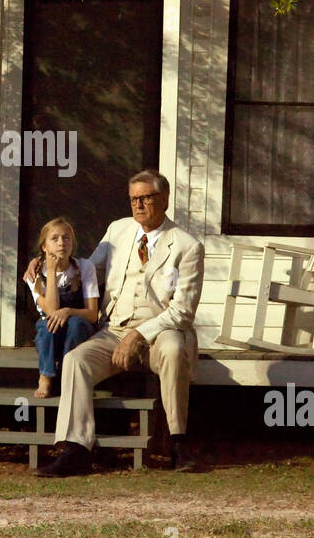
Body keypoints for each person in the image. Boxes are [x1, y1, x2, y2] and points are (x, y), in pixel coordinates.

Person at [30, 170, 205, 476]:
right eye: (133, 199)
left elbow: (183, 311)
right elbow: (87, 271)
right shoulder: (118, 231)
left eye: (145, 198)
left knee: (175, 348)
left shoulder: (186, 246)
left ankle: (178, 444)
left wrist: (139, 334)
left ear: (163, 200)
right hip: (115, 329)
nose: (138, 205)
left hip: (160, 332)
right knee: (75, 360)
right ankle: (75, 449)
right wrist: (48, 267)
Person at [24, 217, 100, 398]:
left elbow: (92, 315)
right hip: (51, 333)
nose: (61, 243)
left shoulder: (85, 267)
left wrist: (68, 311)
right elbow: (50, 311)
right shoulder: (35, 274)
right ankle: (46, 377)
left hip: (77, 331)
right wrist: (51, 271)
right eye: (55, 238)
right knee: (46, 326)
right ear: (44, 247)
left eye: (66, 238)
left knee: (75, 323)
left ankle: (68, 375)